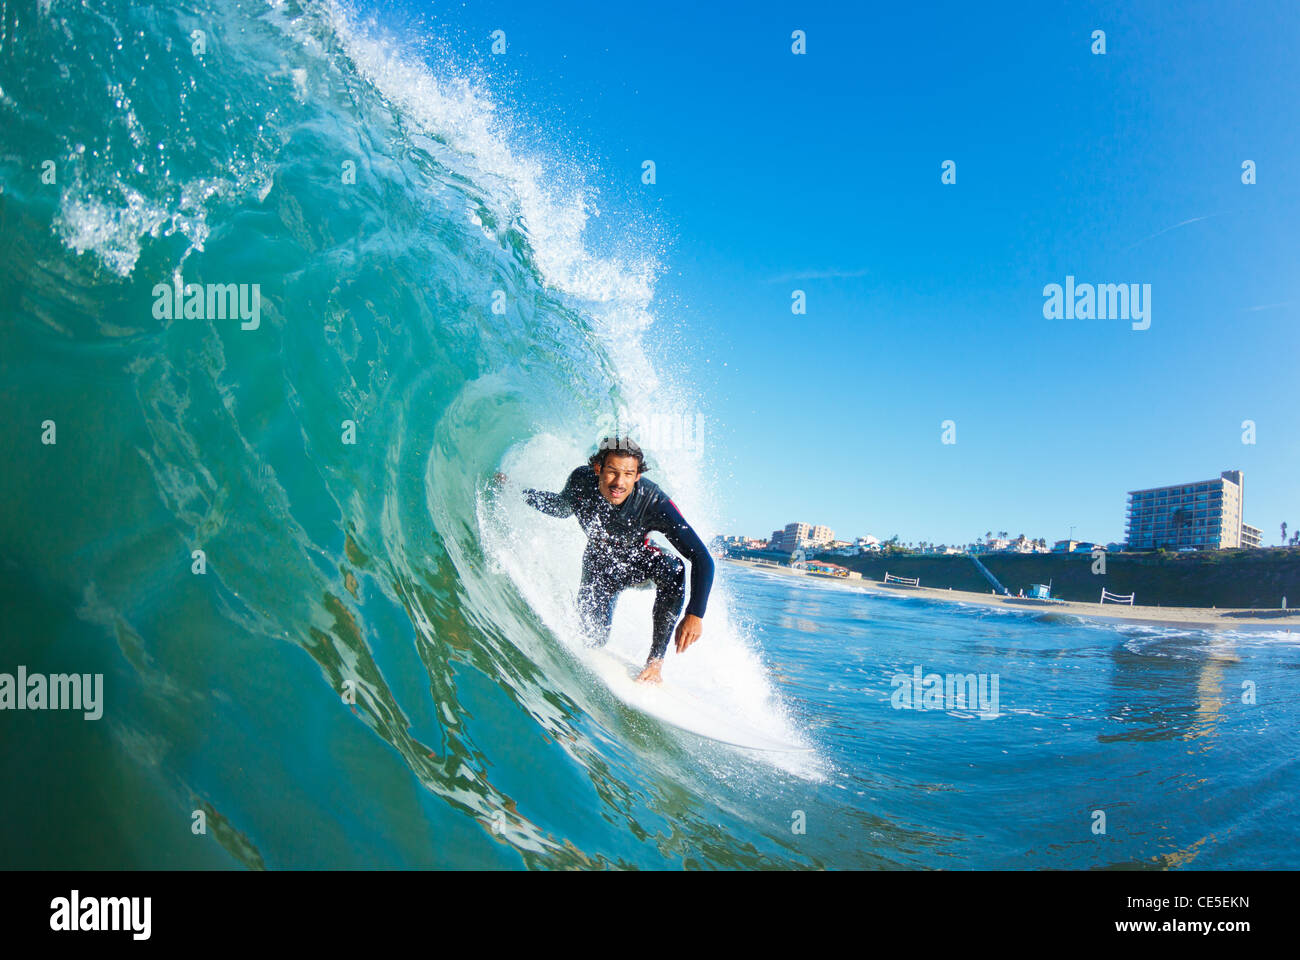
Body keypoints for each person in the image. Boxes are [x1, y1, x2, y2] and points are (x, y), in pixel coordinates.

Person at [495, 436, 714, 684]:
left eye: (628, 474)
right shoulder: (582, 480)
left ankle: (655, 664)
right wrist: (516, 489)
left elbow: (702, 557)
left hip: (638, 564)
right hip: (599, 569)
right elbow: (560, 507)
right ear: (598, 468)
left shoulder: (654, 501)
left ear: (637, 476)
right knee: (592, 638)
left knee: (673, 568)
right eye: (612, 472)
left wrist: (695, 614)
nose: (619, 483)